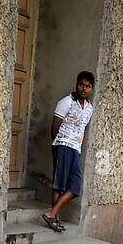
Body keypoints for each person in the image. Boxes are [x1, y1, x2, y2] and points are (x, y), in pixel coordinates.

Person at [43, 71, 94, 232]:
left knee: (75, 186)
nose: (84, 89)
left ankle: (51, 213)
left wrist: (75, 147)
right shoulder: (66, 102)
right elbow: (54, 127)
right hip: (63, 145)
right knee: (59, 185)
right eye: (81, 85)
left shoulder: (89, 108)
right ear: (76, 84)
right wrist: (58, 145)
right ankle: (55, 218)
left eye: (87, 86)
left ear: (91, 89)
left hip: (75, 149)